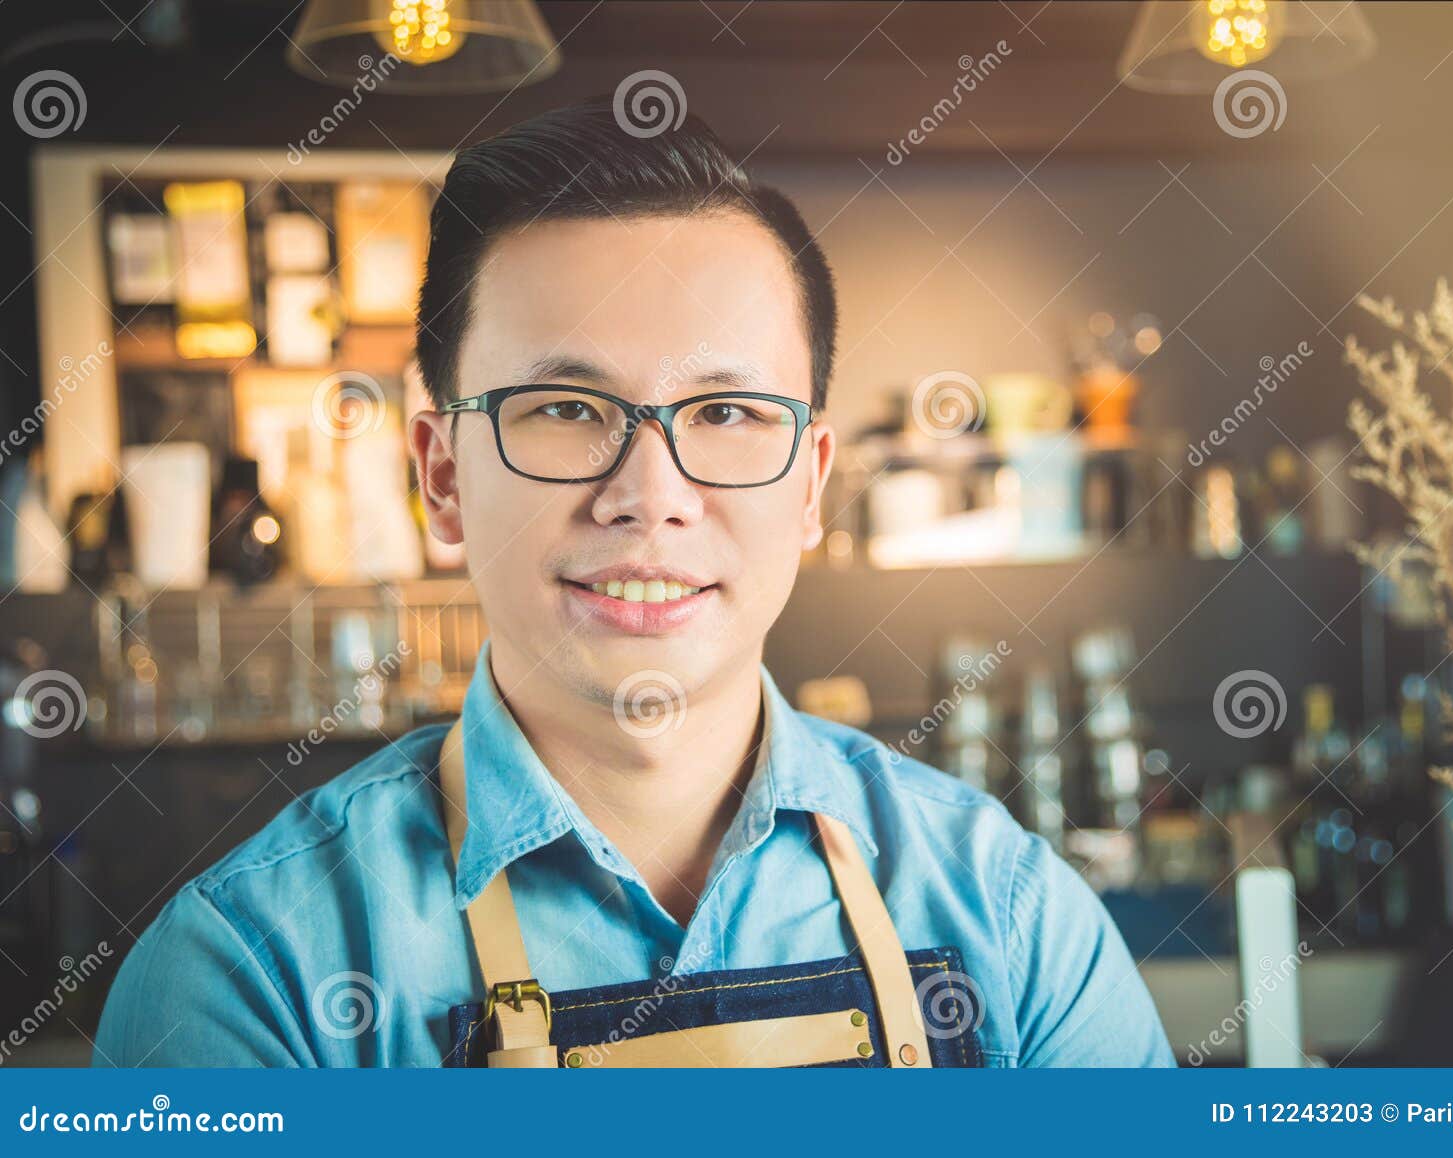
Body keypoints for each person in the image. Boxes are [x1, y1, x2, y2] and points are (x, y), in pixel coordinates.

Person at [95, 98, 1173, 1068]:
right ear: (442, 477)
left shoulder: (1012, 913)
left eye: (726, 413)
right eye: (566, 410)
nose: (647, 496)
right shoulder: (250, 981)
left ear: (809, 486)